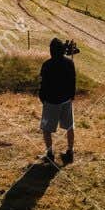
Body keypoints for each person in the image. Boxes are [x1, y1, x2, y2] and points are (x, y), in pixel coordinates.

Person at [38, 38, 77, 166]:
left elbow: (43, 84)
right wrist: (72, 96)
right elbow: (73, 81)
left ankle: (49, 154)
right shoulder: (69, 63)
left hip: (51, 101)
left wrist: (42, 97)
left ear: (51, 51)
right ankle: (70, 151)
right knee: (69, 126)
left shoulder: (47, 64)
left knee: (46, 128)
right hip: (66, 100)